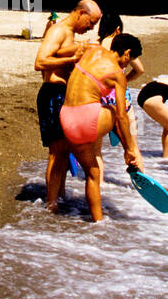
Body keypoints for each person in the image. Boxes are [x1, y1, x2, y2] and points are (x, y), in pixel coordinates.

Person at [60, 36, 143, 222]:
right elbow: (122, 117)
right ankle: (128, 153)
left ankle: (97, 223)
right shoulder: (117, 74)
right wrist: (129, 149)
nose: (126, 64)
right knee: (116, 111)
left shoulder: (92, 50)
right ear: (127, 53)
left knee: (94, 172)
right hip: (87, 120)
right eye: (128, 60)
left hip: (66, 118)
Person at [33, 0, 102, 212]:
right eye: (90, 22)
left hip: (63, 95)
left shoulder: (69, 34)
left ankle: (59, 197)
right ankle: (51, 205)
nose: (90, 27)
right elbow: (40, 62)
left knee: (64, 152)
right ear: (81, 13)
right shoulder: (59, 30)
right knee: (57, 151)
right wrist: (73, 58)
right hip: (52, 94)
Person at [98, 12, 145, 82]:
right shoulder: (122, 46)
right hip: (116, 88)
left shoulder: (93, 45)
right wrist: (123, 81)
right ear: (118, 29)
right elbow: (140, 70)